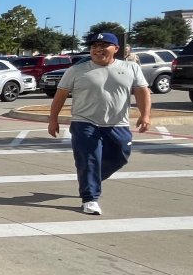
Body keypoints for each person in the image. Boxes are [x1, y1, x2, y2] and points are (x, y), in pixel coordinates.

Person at [48, 31, 151, 215]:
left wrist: (145, 115)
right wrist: (53, 119)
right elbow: (60, 95)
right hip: (84, 123)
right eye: (94, 46)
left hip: (118, 123)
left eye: (104, 46)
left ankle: (92, 178)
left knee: (121, 156)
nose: (98, 50)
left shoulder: (130, 68)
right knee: (89, 159)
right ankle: (90, 198)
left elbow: (142, 92)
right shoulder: (76, 70)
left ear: (116, 49)